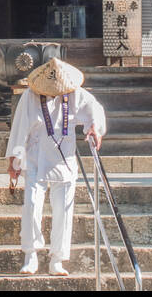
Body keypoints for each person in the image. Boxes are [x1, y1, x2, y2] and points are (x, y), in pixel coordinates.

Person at [6, 56, 106, 277]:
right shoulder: (30, 96)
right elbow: (20, 130)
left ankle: (58, 259)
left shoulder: (75, 93)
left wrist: (94, 128)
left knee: (64, 209)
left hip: (65, 157)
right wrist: (14, 159)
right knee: (32, 205)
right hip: (36, 156)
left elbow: (94, 110)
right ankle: (30, 255)